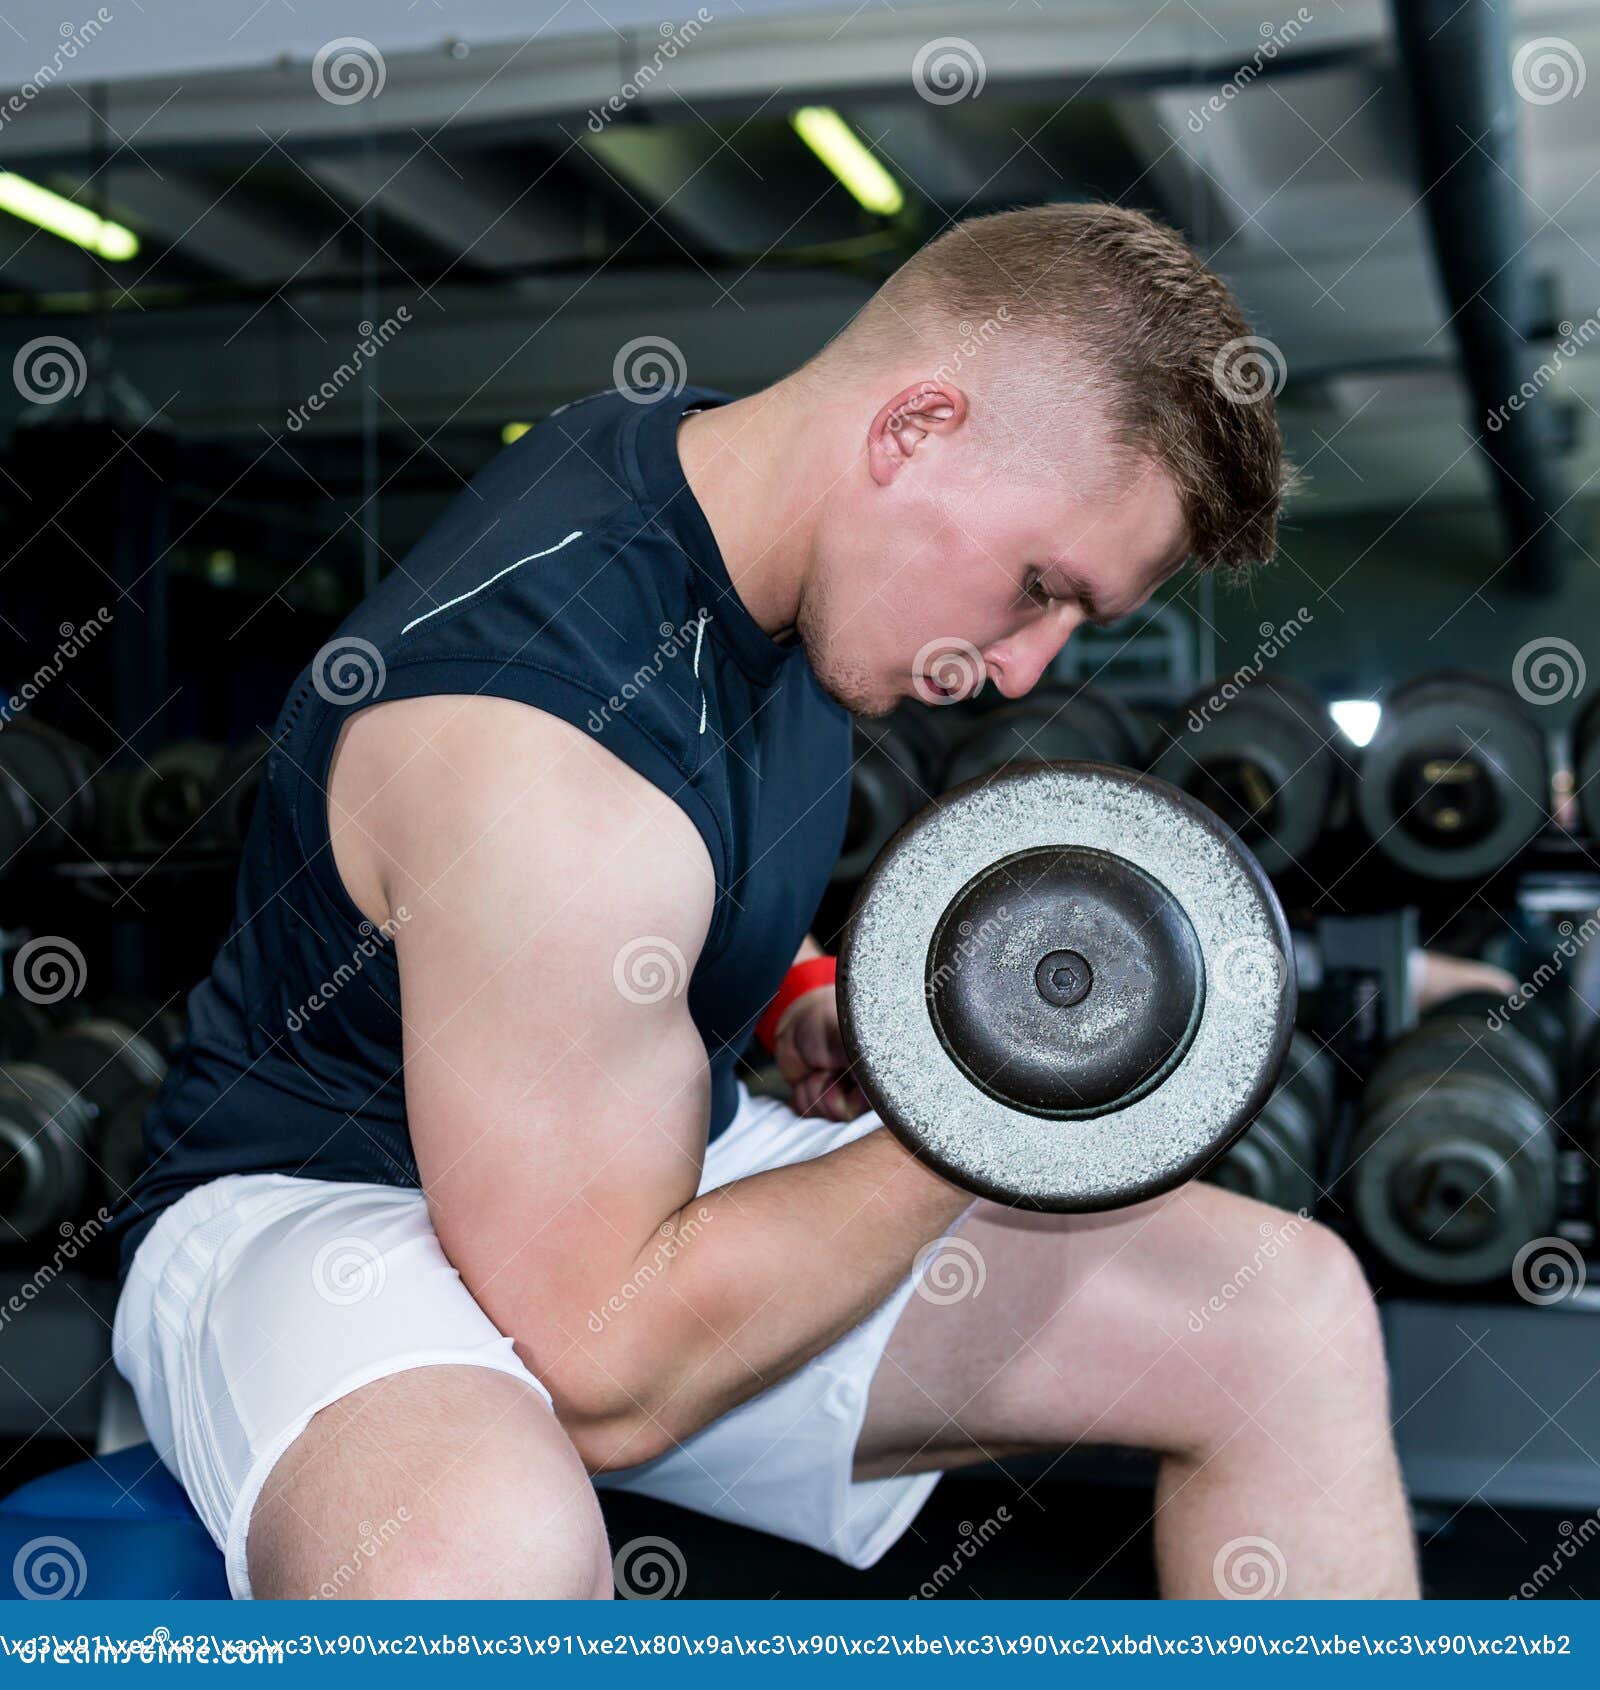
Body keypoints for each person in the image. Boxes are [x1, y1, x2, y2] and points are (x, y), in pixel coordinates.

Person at [108, 201, 1419, 1600]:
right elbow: (605, 1365)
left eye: (1072, 617)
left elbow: (687, 862)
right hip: (327, 1203)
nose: (1029, 667)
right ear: (913, 429)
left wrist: (797, 989)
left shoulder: (759, 514)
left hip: (626, 1168)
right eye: (1038, 587)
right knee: (475, 1550)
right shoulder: (545, 759)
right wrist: (981, 1113)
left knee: (1283, 1315)